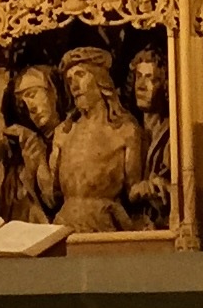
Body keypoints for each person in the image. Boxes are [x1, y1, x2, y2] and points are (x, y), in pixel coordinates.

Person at [49, 45, 145, 231]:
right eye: (69, 81)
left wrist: (150, 188)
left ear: (100, 79)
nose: (74, 86)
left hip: (103, 225)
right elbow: (52, 195)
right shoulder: (64, 132)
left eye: (81, 75)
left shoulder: (125, 130)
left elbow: (132, 191)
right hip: (63, 227)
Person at [0, 63, 63, 223]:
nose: (30, 108)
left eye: (33, 95)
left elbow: (58, 200)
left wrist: (39, 161)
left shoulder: (73, 136)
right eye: (22, 104)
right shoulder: (27, 148)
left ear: (53, 93)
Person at [124, 43, 171, 227]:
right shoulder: (128, 127)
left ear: (164, 84)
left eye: (150, 78)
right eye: (138, 77)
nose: (141, 86)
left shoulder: (173, 133)